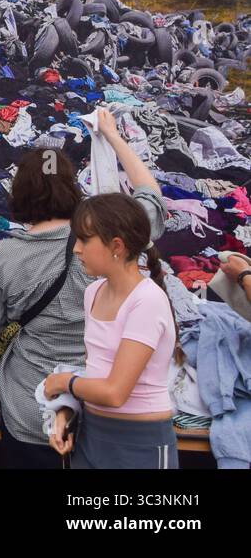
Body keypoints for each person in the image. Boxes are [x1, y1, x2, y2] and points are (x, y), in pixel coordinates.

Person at [0, 107, 167, 468]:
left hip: (33, 410)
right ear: (73, 186)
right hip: (101, 414)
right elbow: (151, 200)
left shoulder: (6, 255)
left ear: (20, 192)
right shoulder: (109, 238)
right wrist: (114, 138)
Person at [43, 190, 182, 469]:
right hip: (92, 436)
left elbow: (115, 392)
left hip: (140, 445)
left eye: (84, 240)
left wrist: (64, 382)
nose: (76, 249)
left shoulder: (147, 301)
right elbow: (96, 373)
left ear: (116, 245)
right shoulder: (93, 292)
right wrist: (65, 411)